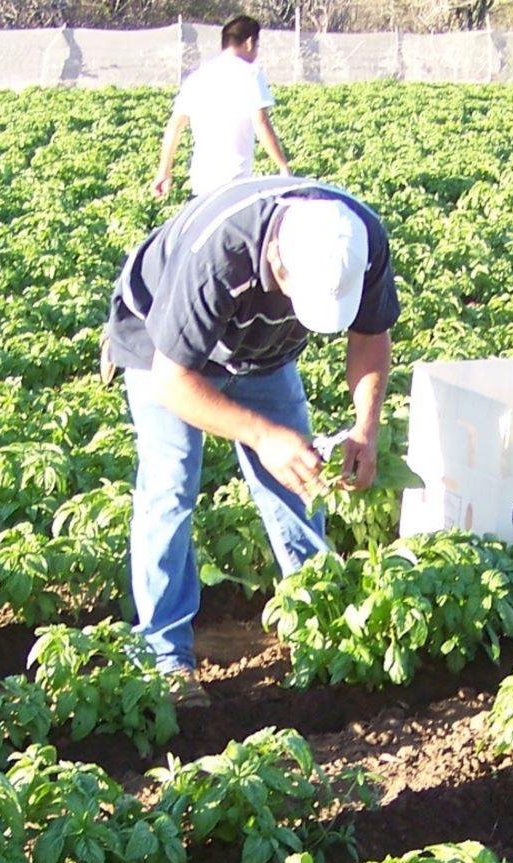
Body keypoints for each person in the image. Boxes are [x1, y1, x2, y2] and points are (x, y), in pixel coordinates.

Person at [102, 176, 398, 703]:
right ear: (278, 261)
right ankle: (164, 657)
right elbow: (173, 380)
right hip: (160, 345)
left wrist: (364, 428)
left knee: (301, 479)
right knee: (170, 487)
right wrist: (261, 435)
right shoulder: (219, 255)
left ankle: (318, 624)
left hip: (262, 350)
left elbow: (371, 336)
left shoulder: (358, 239)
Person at [152, 15, 292, 200]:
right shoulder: (250, 73)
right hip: (235, 185)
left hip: (201, 185)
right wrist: (283, 167)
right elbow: (261, 123)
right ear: (249, 43)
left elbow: (175, 126)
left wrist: (164, 172)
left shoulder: (198, 76)